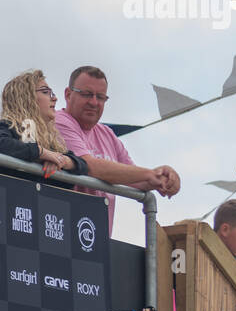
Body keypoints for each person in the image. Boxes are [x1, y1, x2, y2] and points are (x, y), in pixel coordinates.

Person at [55, 66, 181, 229]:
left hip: (96, 239)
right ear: (68, 94)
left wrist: (164, 177)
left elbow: (136, 179)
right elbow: (88, 165)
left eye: (100, 97)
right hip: (62, 231)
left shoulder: (107, 134)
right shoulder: (58, 121)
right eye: (87, 94)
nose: (93, 102)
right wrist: (149, 174)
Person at [0, 69, 89, 180]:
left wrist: (63, 161)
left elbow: (83, 166)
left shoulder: (48, 138)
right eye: (45, 92)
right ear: (26, 98)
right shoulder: (10, 126)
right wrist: (41, 152)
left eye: (52, 93)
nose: (54, 98)